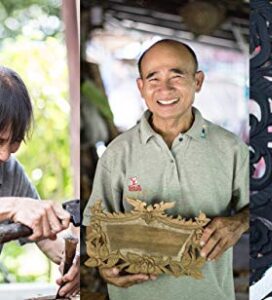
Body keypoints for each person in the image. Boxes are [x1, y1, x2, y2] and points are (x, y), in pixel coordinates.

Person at [83, 39, 249, 300]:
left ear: (198, 81)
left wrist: (239, 222)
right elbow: (95, 226)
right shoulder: (117, 153)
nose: (165, 89)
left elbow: (262, 208)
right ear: (140, 87)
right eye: (153, 78)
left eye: (177, 76)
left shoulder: (231, 149)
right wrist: (105, 267)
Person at [0, 66, 79, 298]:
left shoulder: (10, 172)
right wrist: (12, 207)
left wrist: (78, 262)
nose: (4, 155)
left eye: (14, 142)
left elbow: (49, 239)